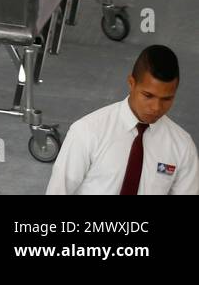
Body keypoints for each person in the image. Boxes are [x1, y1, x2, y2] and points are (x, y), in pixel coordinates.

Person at [47, 45, 197, 195]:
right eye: (148, 96)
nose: (156, 107)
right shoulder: (88, 131)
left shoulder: (182, 147)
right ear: (131, 83)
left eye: (167, 99)